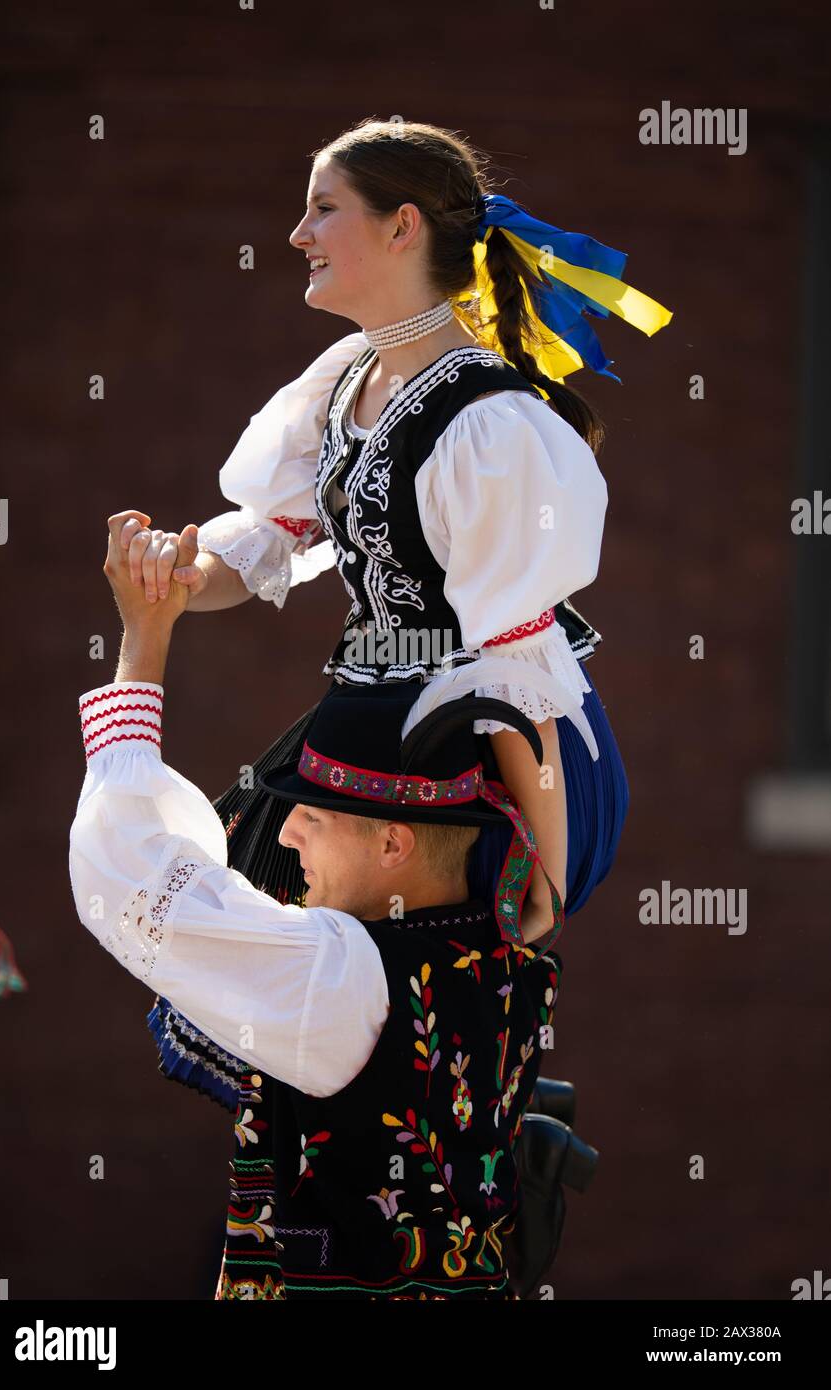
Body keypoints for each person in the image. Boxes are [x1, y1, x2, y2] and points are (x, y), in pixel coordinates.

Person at [115, 118, 670, 1107]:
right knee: (311, 1054)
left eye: (323, 208)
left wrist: (538, 878)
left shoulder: (492, 423)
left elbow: (512, 663)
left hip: (470, 772)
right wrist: (183, 573)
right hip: (365, 747)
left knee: (412, 1063)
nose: (297, 234)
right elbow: (278, 537)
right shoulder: (341, 384)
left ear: (402, 226)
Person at [71, 515, 572, 1300]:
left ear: (394, 846)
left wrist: (144, 639)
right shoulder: (501, 952)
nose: (292, 830)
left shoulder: (342, 976)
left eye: (317, 813)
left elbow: (128, 877)